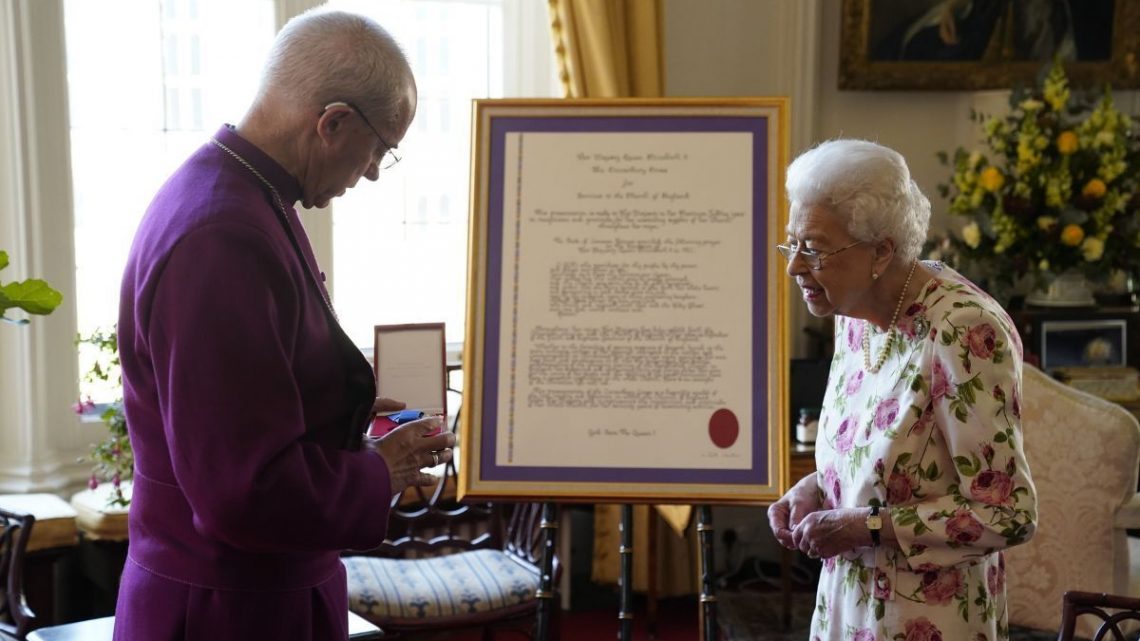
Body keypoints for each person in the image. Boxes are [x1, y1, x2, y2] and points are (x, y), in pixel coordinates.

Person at [115, 9, 455, 640]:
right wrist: (381, 470)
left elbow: (244, 406)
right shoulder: (221, 234)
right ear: (333, 123)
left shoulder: (237, 190)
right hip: (231, 609)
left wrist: (334, 413)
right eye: (381, 147)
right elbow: (241, 491)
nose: (375, 170)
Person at [766, 139, 1037, 640]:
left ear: (881, 251)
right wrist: (814, 489)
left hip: (928, 619)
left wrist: (862, 526)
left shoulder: (963, 332)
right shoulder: (854, 313)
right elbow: (873, 454)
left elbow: (1008, 514)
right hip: (847, 603)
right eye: (792, 243)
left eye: (815, 248)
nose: (794, 267)